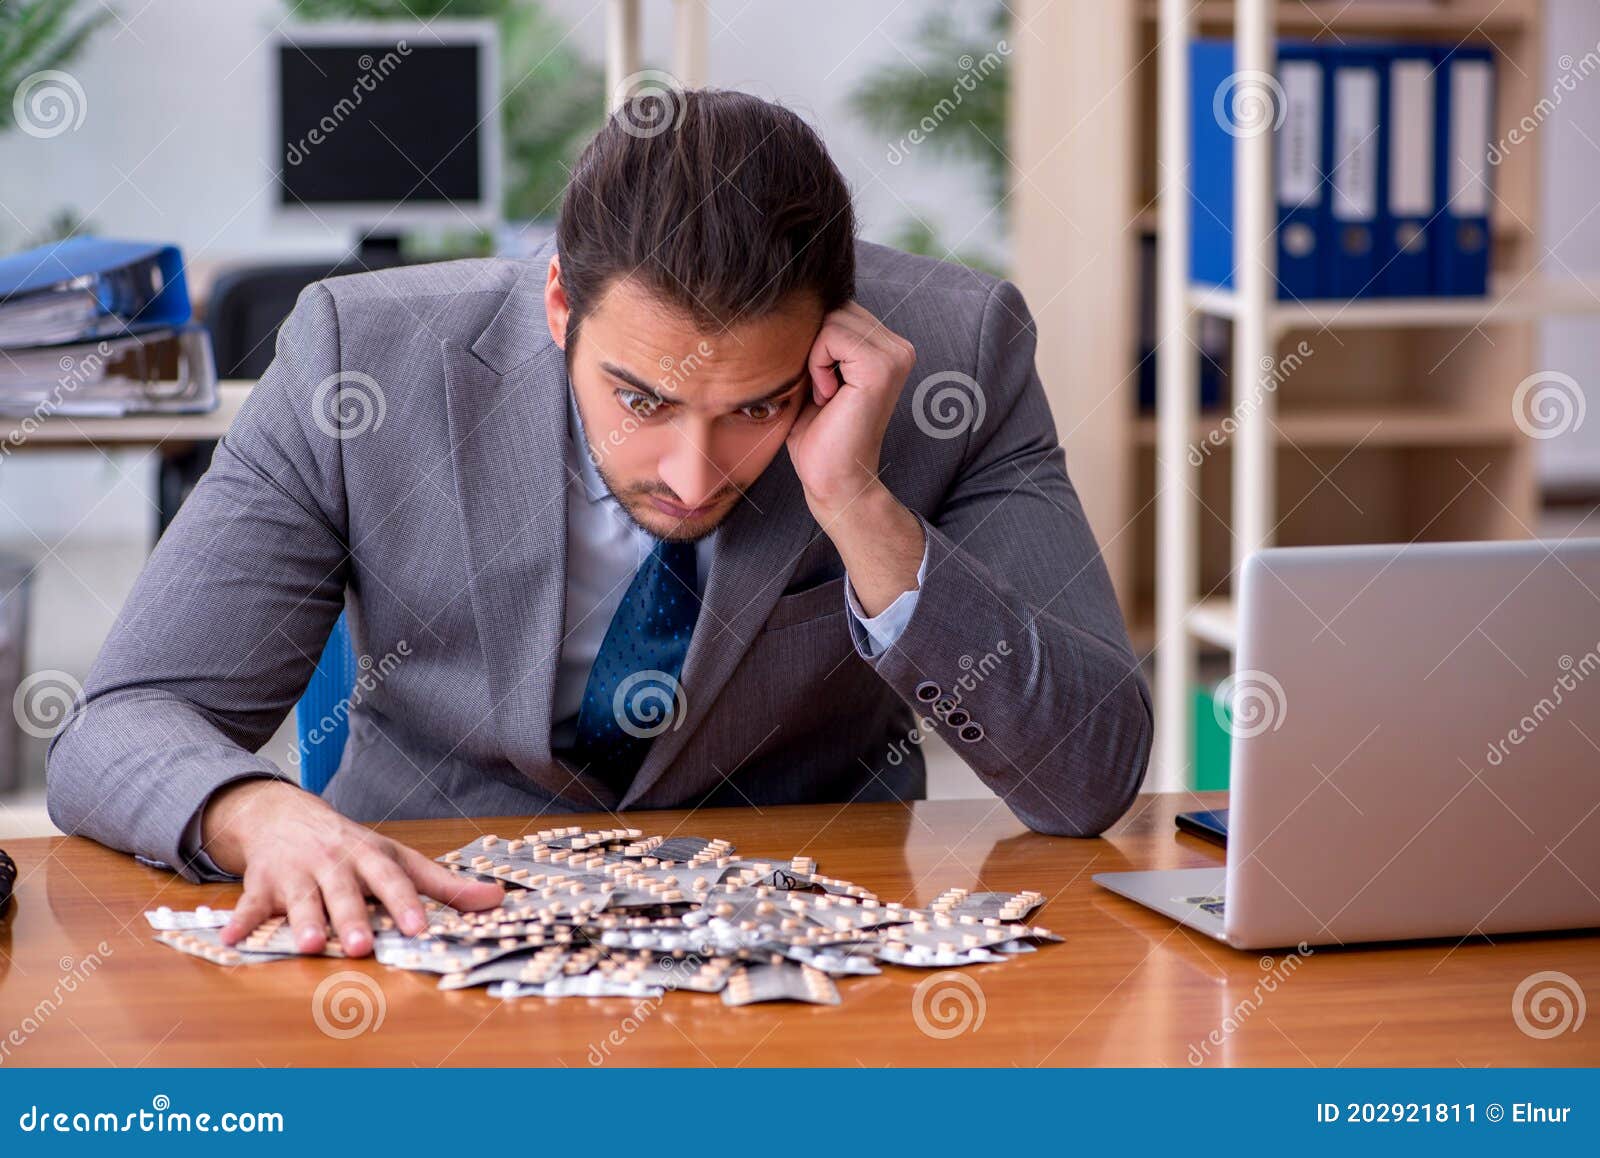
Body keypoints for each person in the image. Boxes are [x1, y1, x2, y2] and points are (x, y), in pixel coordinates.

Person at [47, 89, 1151, 957]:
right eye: (641, 400)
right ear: (561, 304)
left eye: (754, 406)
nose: (690, 472)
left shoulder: (957, 360)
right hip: (428, 927)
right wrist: (260, 813)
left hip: (803, 963)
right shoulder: (361, 362)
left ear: (829, 339)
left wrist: (859, 507)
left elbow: (1086, 776)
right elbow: (123, 724)